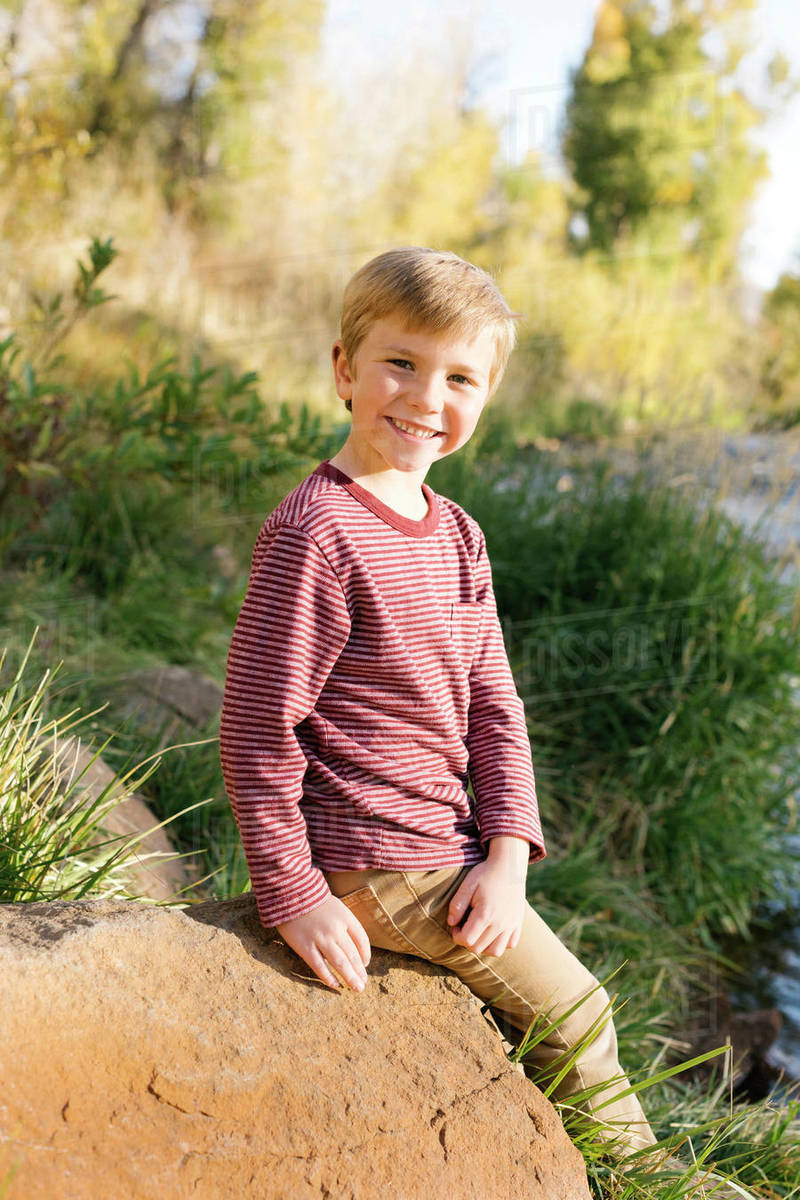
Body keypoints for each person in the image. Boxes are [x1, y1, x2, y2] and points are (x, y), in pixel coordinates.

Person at [218, 245, 656, 1162]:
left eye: (460, 377)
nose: (425, 398)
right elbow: (260, 728)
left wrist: (508, 856)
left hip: (450, 846)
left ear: (485, 399)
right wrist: (293, 894)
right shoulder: (316, 534)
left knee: (562, 1001)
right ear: (344, 369)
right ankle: (648, 1177)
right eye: (401, 364)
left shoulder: (458, 533)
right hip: (378, 856)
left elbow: (495, 700)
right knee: (579, 1014)